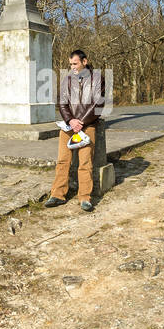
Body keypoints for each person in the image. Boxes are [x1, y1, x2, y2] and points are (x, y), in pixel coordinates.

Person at [44, 48, 109, 212]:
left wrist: (81, 122)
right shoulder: (67, 80)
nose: (72, 67)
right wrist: (71, 120)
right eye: (71, 64)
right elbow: (62, 103)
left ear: (84, 62)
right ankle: (57, 195)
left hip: (88, 126)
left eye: (75, 63)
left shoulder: (97, 79)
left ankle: (85, 198)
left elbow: (98, 104)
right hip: (68, 126)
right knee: (62, 161)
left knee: (85, 162)